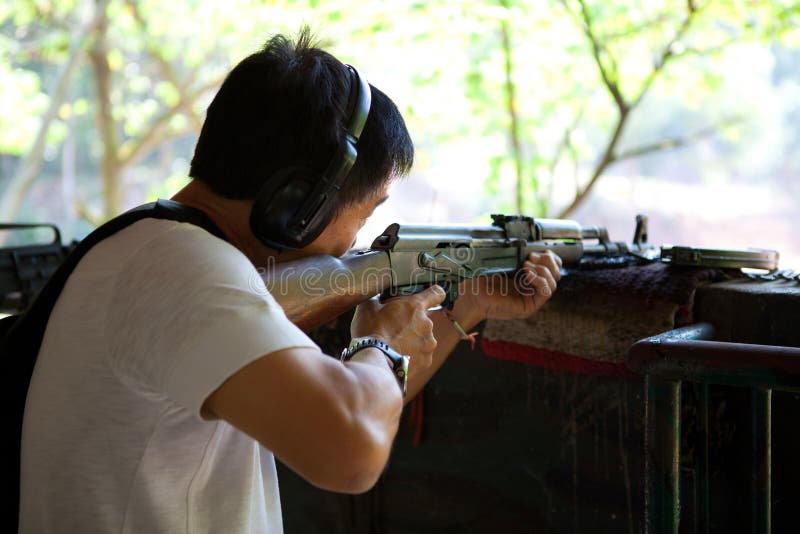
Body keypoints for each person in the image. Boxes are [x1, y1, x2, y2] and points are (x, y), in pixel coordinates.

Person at [18, 29, 562, 533]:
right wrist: (381, 345)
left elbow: (339, 409)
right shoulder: (182, 271)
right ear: (301, 203)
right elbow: (348, 449)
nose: (355, 243)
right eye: (365, 213)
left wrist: (461, 312)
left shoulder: (155, 250)